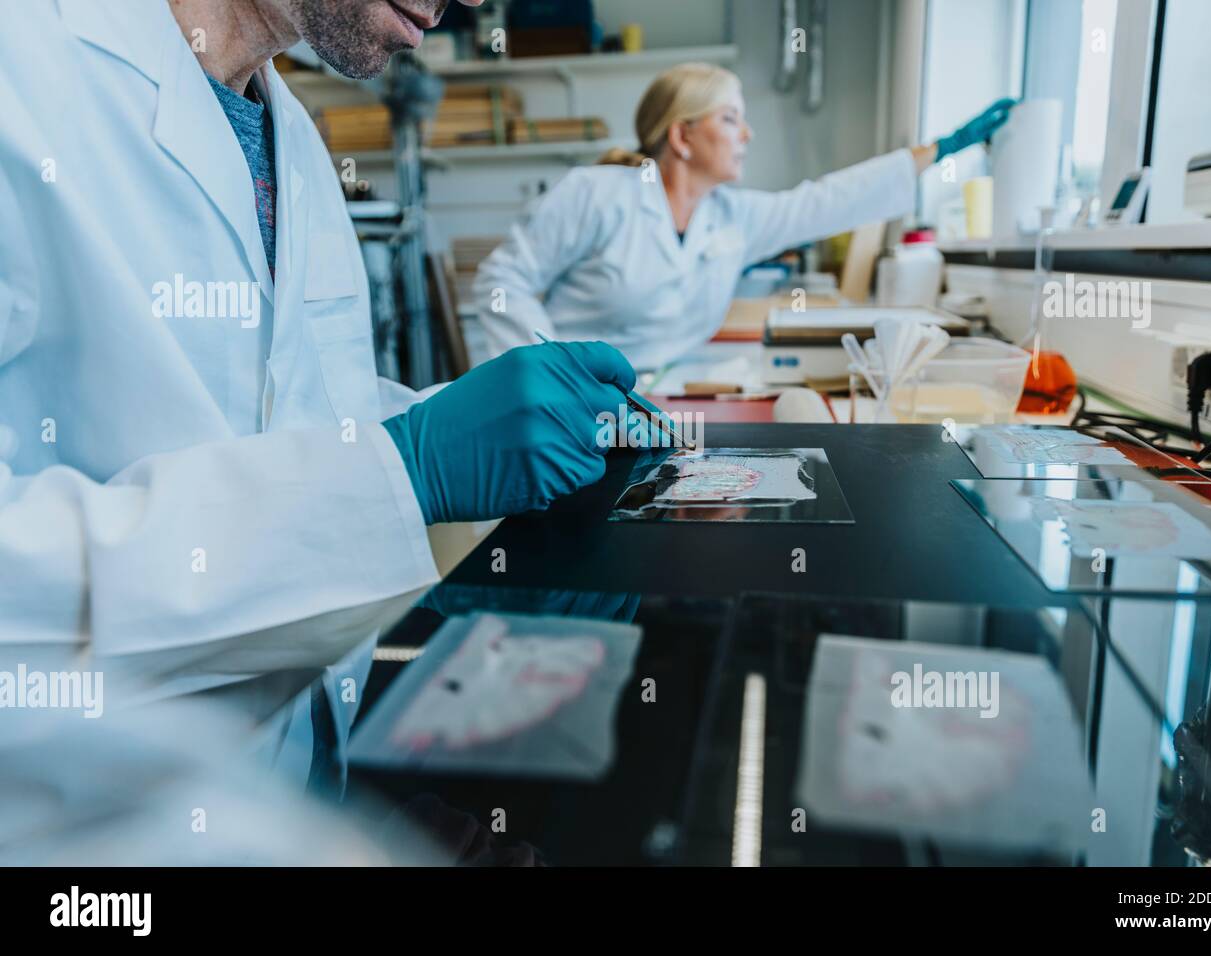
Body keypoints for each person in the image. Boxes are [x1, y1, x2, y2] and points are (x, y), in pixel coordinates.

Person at [0, 0, 636, 782]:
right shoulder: (21, 70)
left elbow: (287, 413)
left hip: (293, 784)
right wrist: (408, 470)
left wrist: (461, 427)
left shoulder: (289, 134)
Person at [474, 62, 1015, 370]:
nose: (747, 136)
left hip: (653, 403)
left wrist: (942, 149)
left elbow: (827, 200)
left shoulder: (732, 216)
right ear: (682, 135)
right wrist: (544, 373)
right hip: (568, 403)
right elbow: (502, 281)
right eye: (731, 119)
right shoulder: (596, 194)